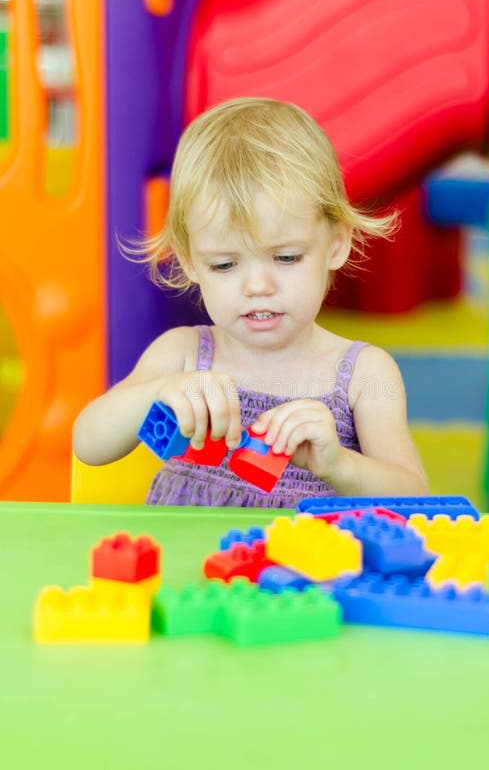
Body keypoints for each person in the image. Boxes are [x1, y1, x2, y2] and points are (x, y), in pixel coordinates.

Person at [73, 98, 428, 507]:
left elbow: (413, 494)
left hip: (306, 567)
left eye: (286, 258)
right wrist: (159, 392)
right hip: (189, 566)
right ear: (190, 261)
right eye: (225, 265)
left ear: (336, 243)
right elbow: (88, 443)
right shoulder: (184, 354)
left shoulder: (365, 374)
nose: (258, 286)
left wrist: (341, 465)